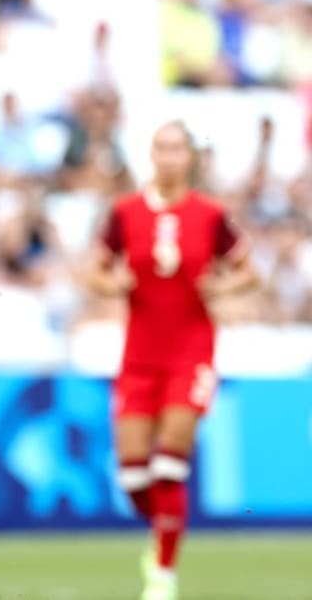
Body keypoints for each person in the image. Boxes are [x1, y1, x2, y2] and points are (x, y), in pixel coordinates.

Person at [88, 120, 258, 600]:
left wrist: (222, 286)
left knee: (168, 465)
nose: (169, 157)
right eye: (161, 148)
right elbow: (96, 271)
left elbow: (249, 271)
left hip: (191, 353)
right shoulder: (126, 213)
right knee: (133, 477)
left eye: (177, 149)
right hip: (139, 356)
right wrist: (112, 283)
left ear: (190, 157)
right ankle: (163, 532)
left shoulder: (210, 214)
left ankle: (163, 573)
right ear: (151, 154)